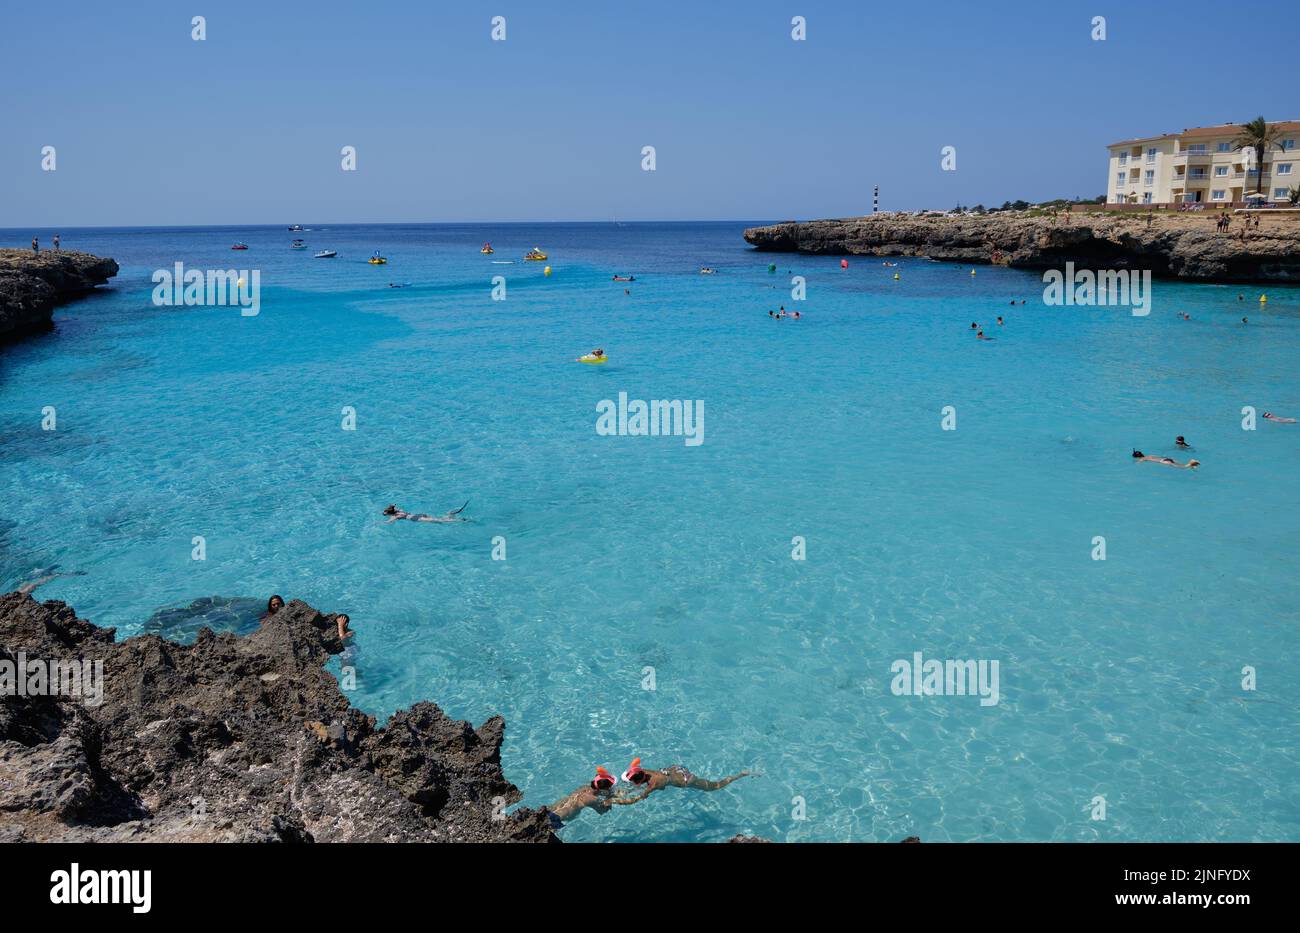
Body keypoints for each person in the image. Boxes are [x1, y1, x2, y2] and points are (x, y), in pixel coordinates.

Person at [615, 758, 754, 803]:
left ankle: (740, 775)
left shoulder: (653, 784)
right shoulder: (643, 771)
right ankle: (741, 774)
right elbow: (638, 784)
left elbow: (639, 797)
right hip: (674, 769)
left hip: (686, 780)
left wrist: (617, 800)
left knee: (714, 786)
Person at [545, 767, 645, 830]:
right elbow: (603, 811)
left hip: (549, 811)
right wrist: (610, 798)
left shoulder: (585, 788)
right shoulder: (591, 799)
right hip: (555, 821)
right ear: (605, 788)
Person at [383, 502, 470, 523]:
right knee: (439, 519)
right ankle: (451, 515)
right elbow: (394, 506)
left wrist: (383, 522)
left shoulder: (396, 516)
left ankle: (461, 520)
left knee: (440, 521)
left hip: (419, 518)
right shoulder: (400, 511)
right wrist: (392, 506)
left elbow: (389, 521)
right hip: (420, 514)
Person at [1132, 450, 1199, 469]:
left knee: (1183, 467)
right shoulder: (1150, 455)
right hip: (1166, 458)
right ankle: (1192, 464)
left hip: (1163, 461)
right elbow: (1159, 456)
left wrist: (1135, 463)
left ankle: (1191, 463)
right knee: (1182, 464)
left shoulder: (1143, 459)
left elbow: (1138, 464)